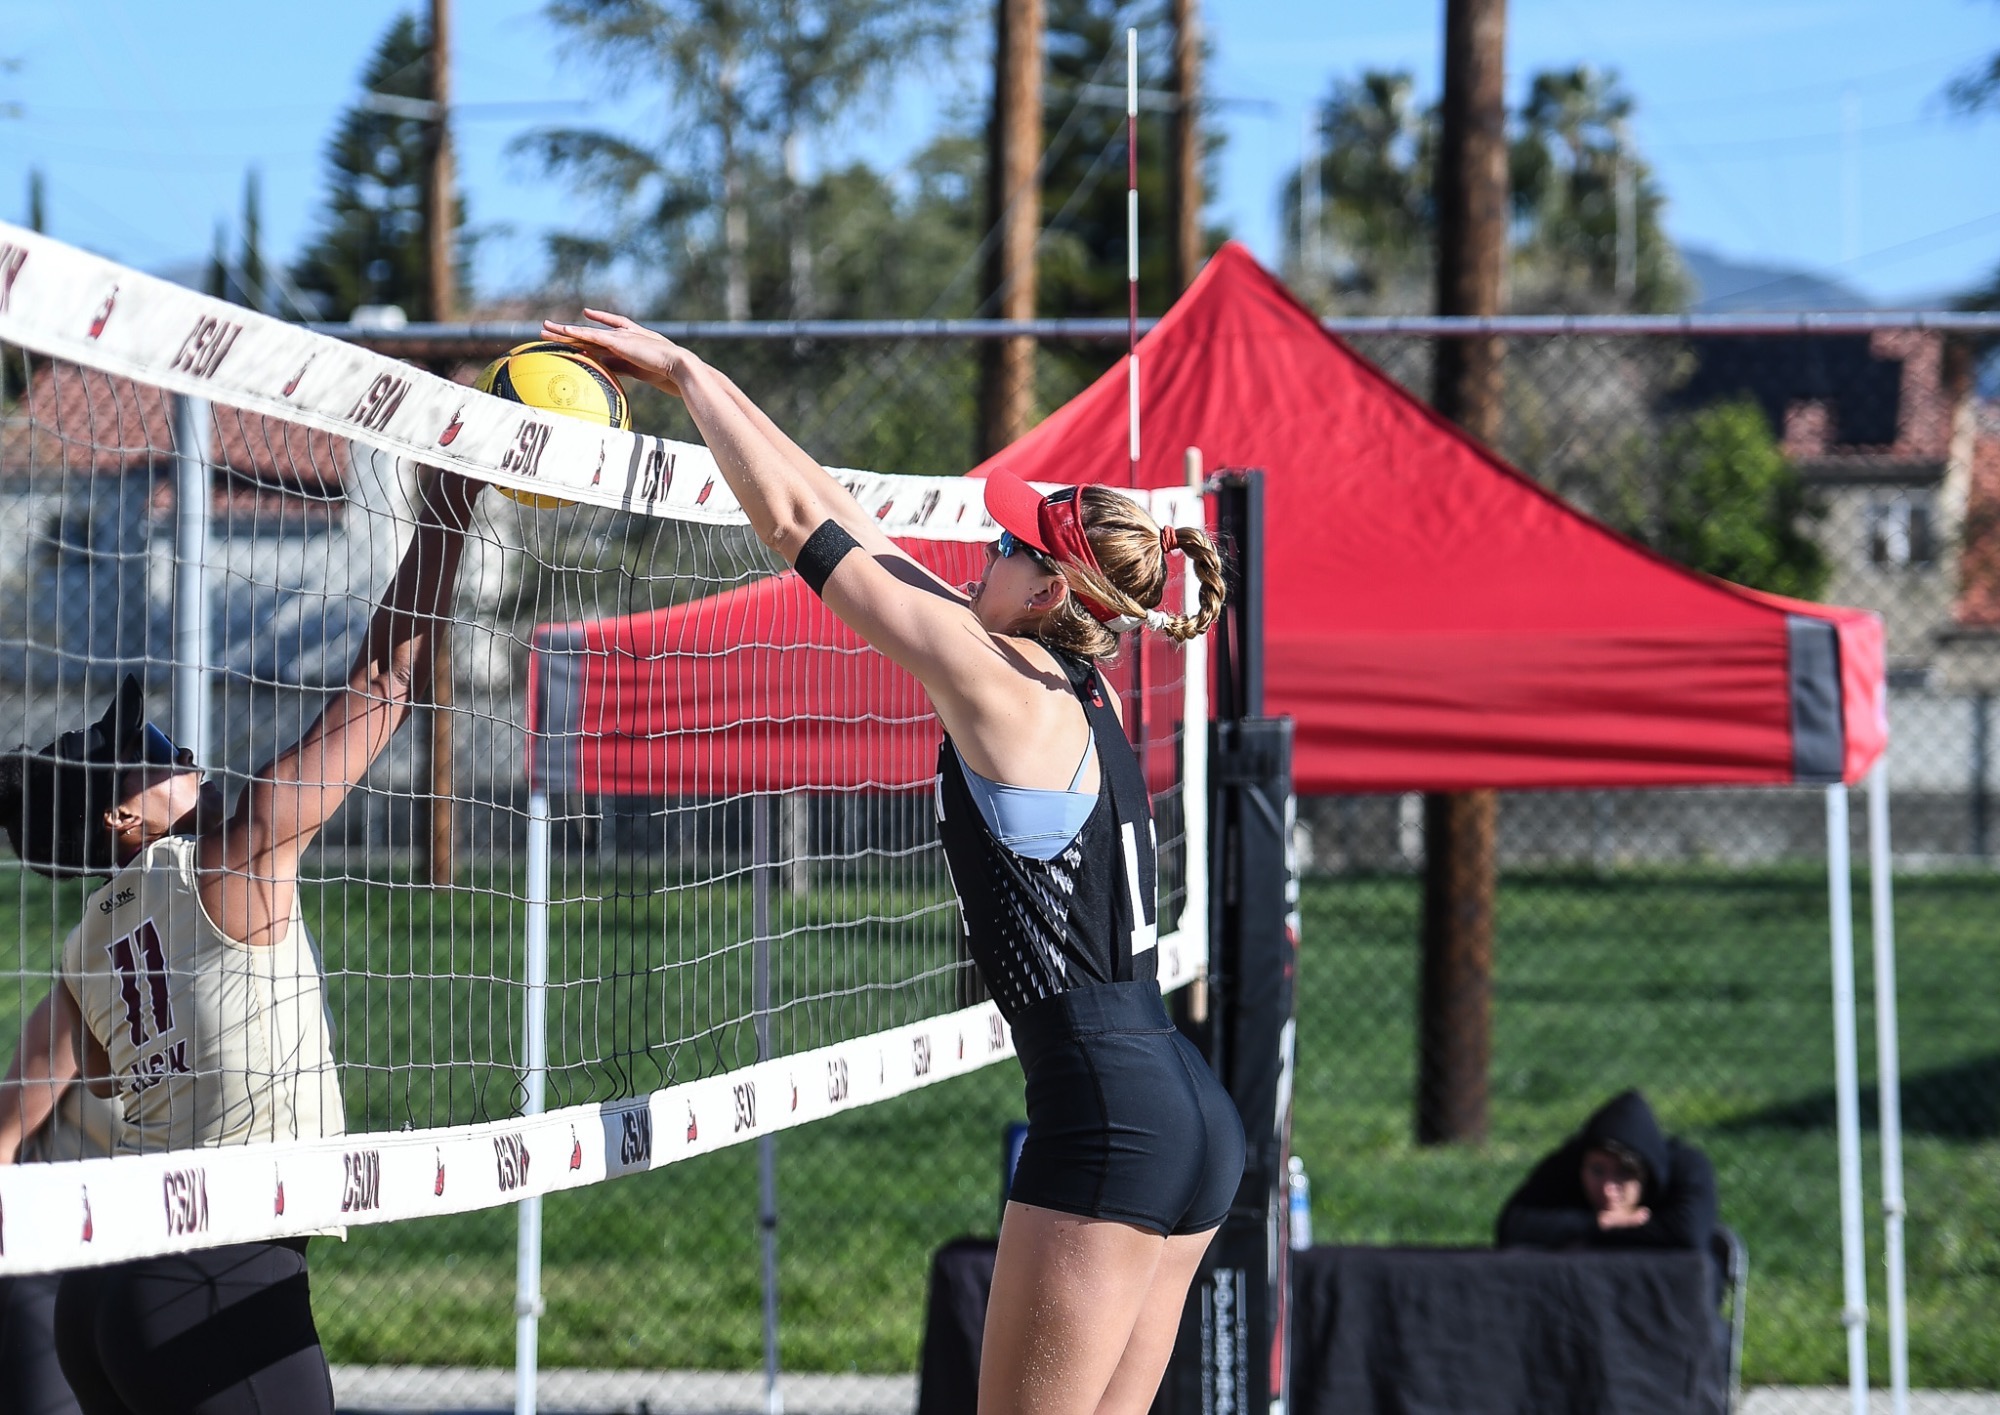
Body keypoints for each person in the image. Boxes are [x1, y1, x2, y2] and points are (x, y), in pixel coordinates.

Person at [543, 309, 1242, 1415]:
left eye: (1012, 550)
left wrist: (684, 371)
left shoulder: (996, 679)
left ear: (1056, 592)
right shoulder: (1083, 684)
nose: (988, 554)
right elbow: (840, 511)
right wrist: (705, 377)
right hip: (1188, 1111)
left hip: (1107, 1113)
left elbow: (789, 524)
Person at [0, 467, 481, 1415]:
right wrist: (449, 513)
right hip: (215, 1273)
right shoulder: (238, 853)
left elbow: (69, 1092)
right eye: (154, 756)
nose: (182, 753)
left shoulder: (88, 941)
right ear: (121, 814)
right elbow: (384, 676)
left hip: (112, 1290)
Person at [0, 988, 123, 1415]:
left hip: (165, 1270)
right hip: (53, 1256)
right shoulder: (93, 985)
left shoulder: (237, 1003)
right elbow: (4, 1142)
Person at [1496, 1088, 1720, 1274]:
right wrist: (1599, 1223)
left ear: (1647, 1176)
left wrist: (1595, 1234)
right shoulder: (1568, 1163)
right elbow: (1514, 1226)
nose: (1607, 1189)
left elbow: (1688, 1232)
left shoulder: (1687, 1167)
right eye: (1597, 1171)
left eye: (1624, 1174)